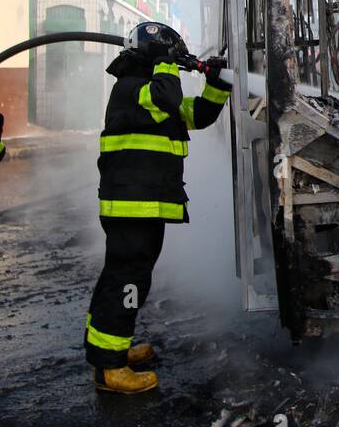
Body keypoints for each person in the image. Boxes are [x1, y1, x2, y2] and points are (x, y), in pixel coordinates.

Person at [85, 22, 231, 394]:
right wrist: (167, 62)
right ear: (154, 56)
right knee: (127, 280)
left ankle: (112, 347)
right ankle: (109, 368)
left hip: (142, 206)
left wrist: (219, 83)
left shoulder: (148, 94)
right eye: (168, 56)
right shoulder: (134, 89)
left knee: (125, 277)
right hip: (132, 207)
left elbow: (197, 115)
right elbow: (167, 97)